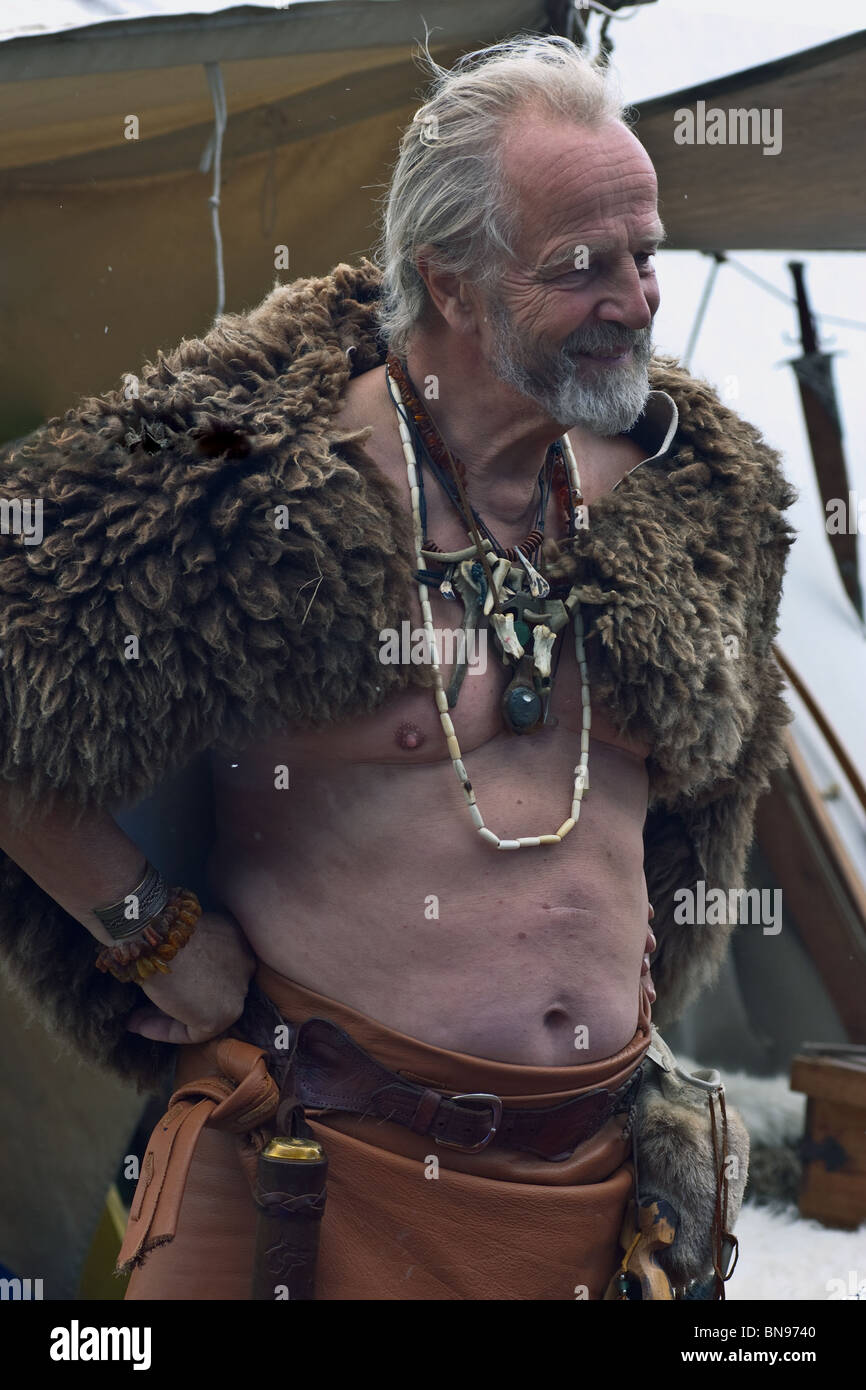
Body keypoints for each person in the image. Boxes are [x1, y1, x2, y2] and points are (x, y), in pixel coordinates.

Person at [0, 36, 794, 1300]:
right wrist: (155, 934)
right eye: (582, 267)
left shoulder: (696, 490)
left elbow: (704, 797)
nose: (637, 300)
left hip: (595, 1197)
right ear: (453, 283)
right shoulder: (235, 481)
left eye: (646, 255)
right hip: (304, 1169)